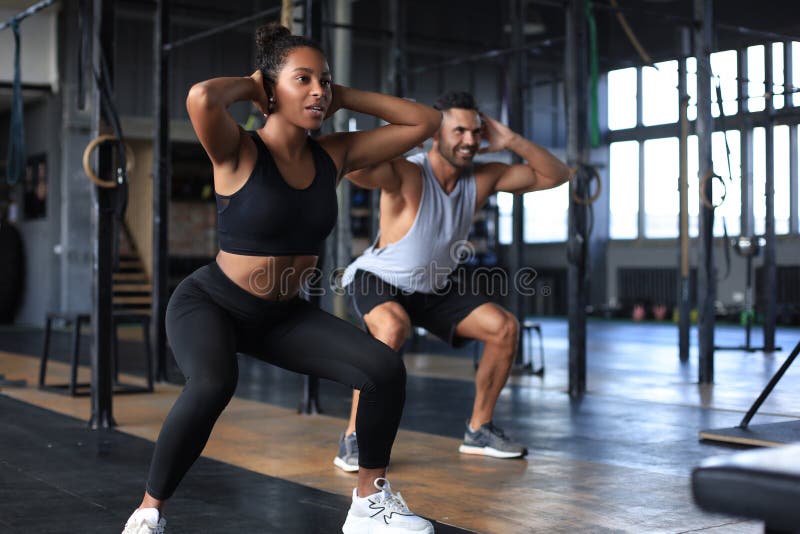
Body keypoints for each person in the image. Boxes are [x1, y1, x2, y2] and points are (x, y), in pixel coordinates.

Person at [122, 23, 441, 534]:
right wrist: (255, 86)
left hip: (281, 316)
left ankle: (368, 504)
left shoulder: (333, 155)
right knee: (213, 384)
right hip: (212, 304)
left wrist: (341, 96)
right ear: (272, 88)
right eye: (303, 79)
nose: (317, 89)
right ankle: (148, 511)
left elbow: (425, 121)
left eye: (325, 80)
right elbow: (202, 97)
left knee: (382, 369)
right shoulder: (238, 150)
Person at [333, 91, 571, 472]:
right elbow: (354, 166)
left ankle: (479, 430)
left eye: (476, 132)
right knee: (392, 327)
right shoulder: (407, 172)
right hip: (379, 278)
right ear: (435, 134)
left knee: (504, 328)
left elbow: (557, 175)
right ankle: (353, 438)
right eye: (459, 130)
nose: (470, 140)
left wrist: (510, 141)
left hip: (434, 285)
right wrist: (408, 130)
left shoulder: (481, 178)